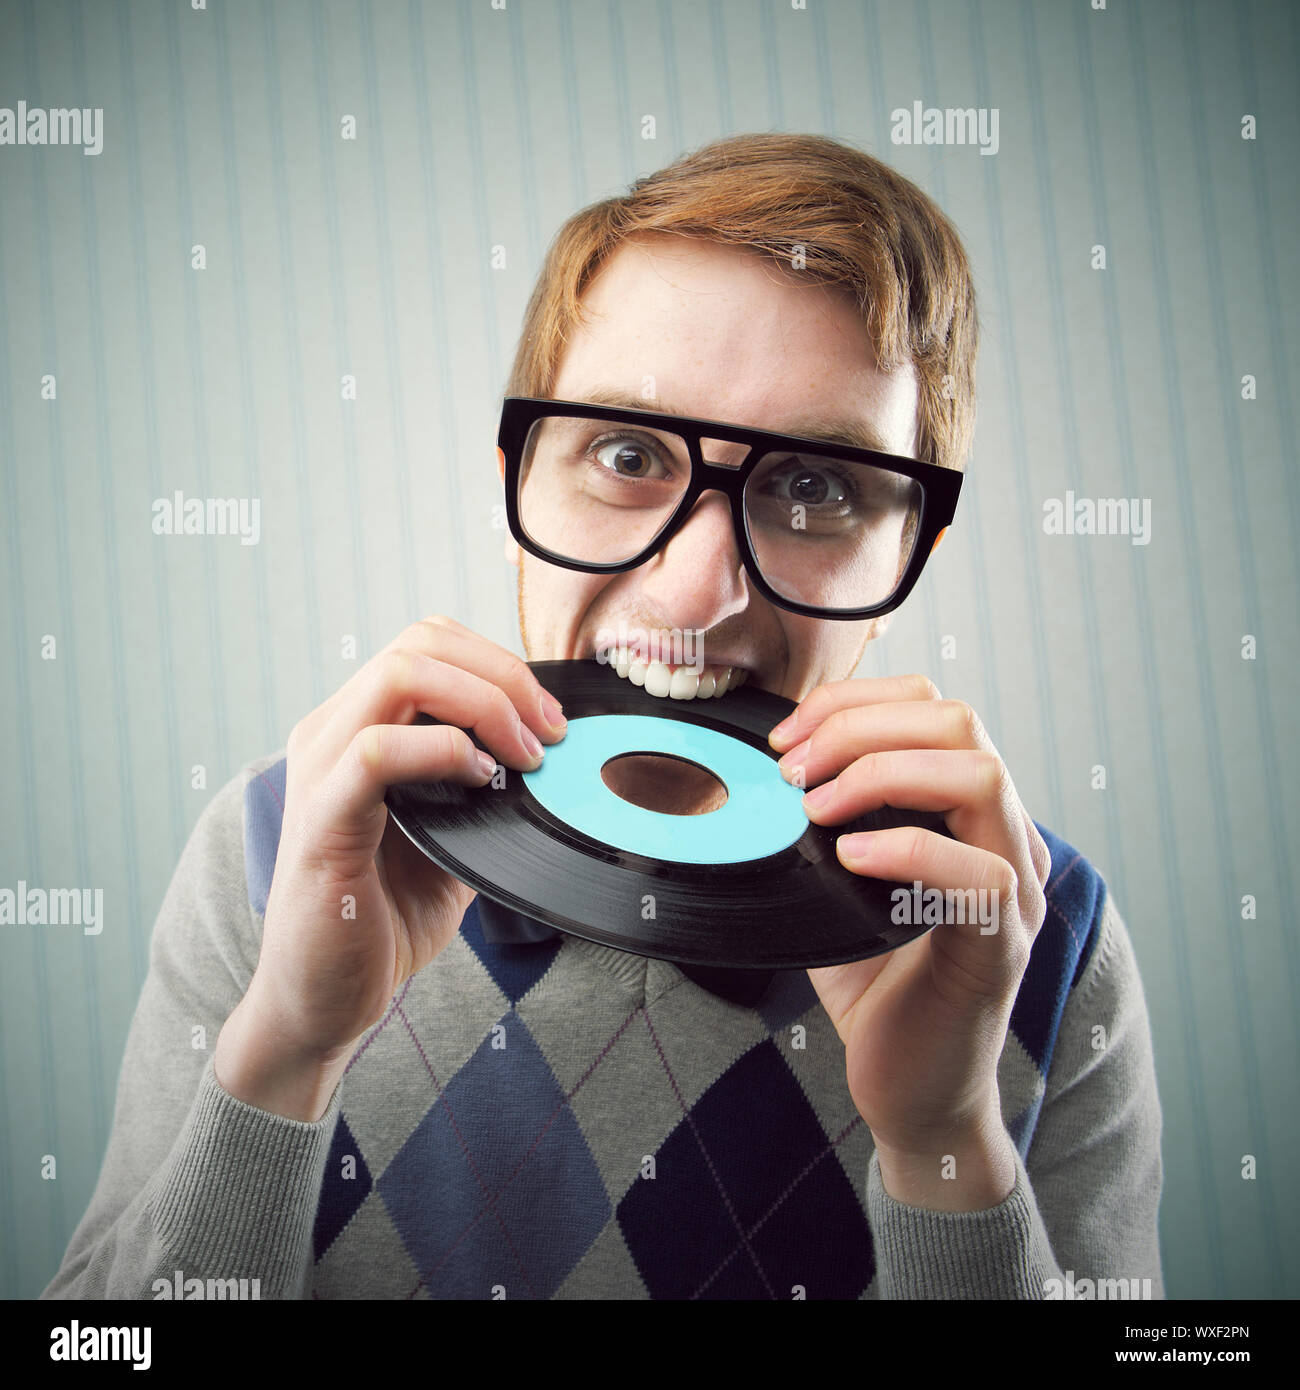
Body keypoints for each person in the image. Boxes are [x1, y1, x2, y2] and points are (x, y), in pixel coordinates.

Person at [43, 132, 1162, 1301]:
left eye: (814, 486)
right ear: (518, 479)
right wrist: (281, 1052)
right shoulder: (286, 843)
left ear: (911, 555)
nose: (692, 592)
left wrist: (947, 1144)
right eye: (626, 453)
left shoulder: (1031, 931)